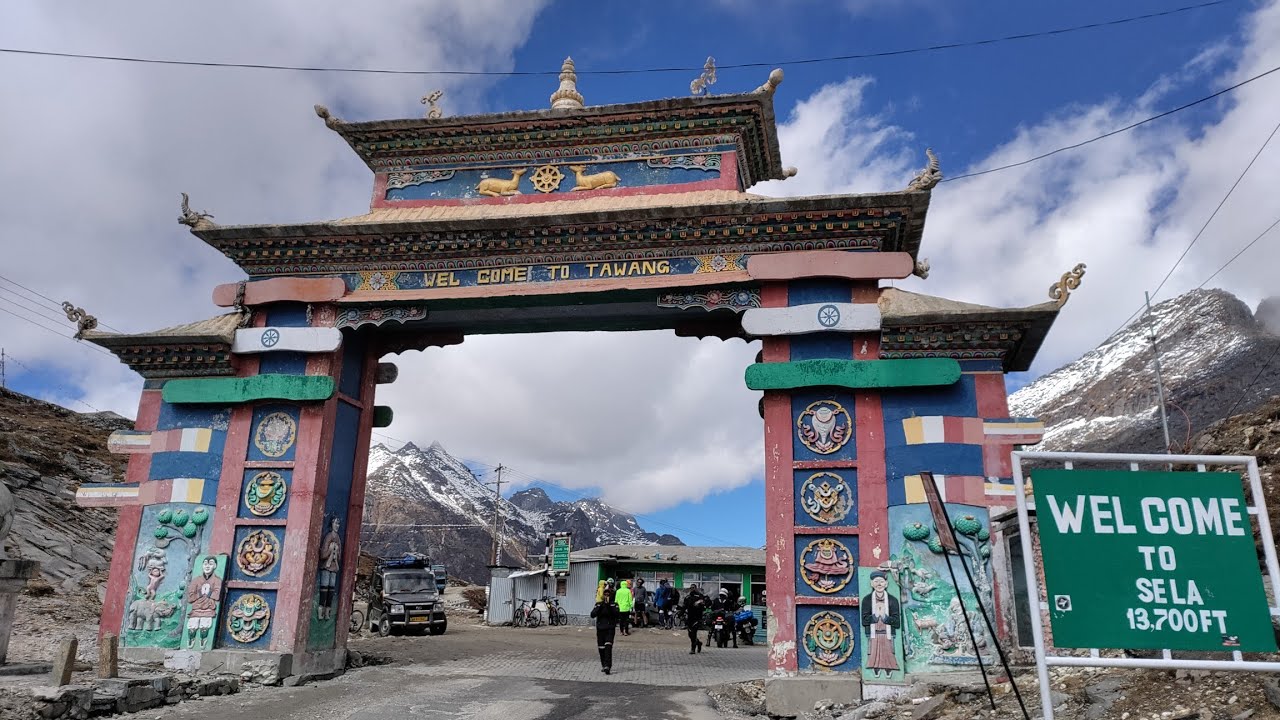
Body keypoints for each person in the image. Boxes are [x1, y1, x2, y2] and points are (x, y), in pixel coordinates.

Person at [861, 571, 901, 677]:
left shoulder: (893, 600)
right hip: (874, 633)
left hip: (887, 633)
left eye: (881, 581)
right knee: (874, 652)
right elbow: (864, 620)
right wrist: (875, 616)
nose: (879, 584)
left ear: (886, 584)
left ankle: (888, 667)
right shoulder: (867, 600)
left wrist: (885, 617)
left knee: (888, 652)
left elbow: (897, 622)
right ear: (872, 584)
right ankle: (876, 667)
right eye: (876, 581)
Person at [590, 588, 620, 675]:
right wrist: (602, 605)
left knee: (608, 647)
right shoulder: (599, 604)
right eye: (605, 594)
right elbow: (592, 614)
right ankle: (603, 665)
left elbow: (616, 614)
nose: (607, 596)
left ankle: (608, 666)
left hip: (610, 629)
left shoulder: (614, 604)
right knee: (601, 649)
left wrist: (608, 606)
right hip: (600, 629)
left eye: (608, 594)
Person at [682, 584, 706, 654]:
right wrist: (680, 614)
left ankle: (693, 649)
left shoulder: (700, 596)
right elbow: (684, 607)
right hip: (690, 617)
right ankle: (698, 643)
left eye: (693, 588)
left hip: (697, 617)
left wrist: (700, 602)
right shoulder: (688, 597)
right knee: (690, 634)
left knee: (694, 632)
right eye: (691, 588)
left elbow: (705, 603)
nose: (692, 589)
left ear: (696, 588)